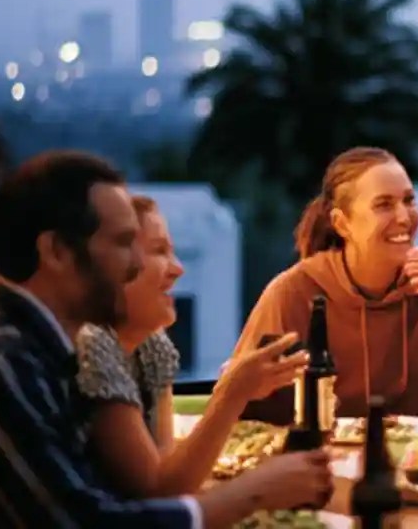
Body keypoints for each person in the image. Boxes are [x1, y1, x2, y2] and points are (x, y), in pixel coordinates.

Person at [0, 151, 332, 528]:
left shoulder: (32, 348)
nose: (137, 265)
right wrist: (252, 493)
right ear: (56, 251)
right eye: (123, 243)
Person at [233, 146, 418, 425]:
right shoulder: (294, 292)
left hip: (414, 468)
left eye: (409, 200)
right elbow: (235, 404)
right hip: (309, 469)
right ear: (342, 224)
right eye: (384, 205)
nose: (404, 217)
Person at [77, 195, 307, 497]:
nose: (178, 269)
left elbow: (170, 473)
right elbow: (159, 492)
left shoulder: (152, 345)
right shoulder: (90, 349)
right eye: (159, 251)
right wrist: (231, 396)